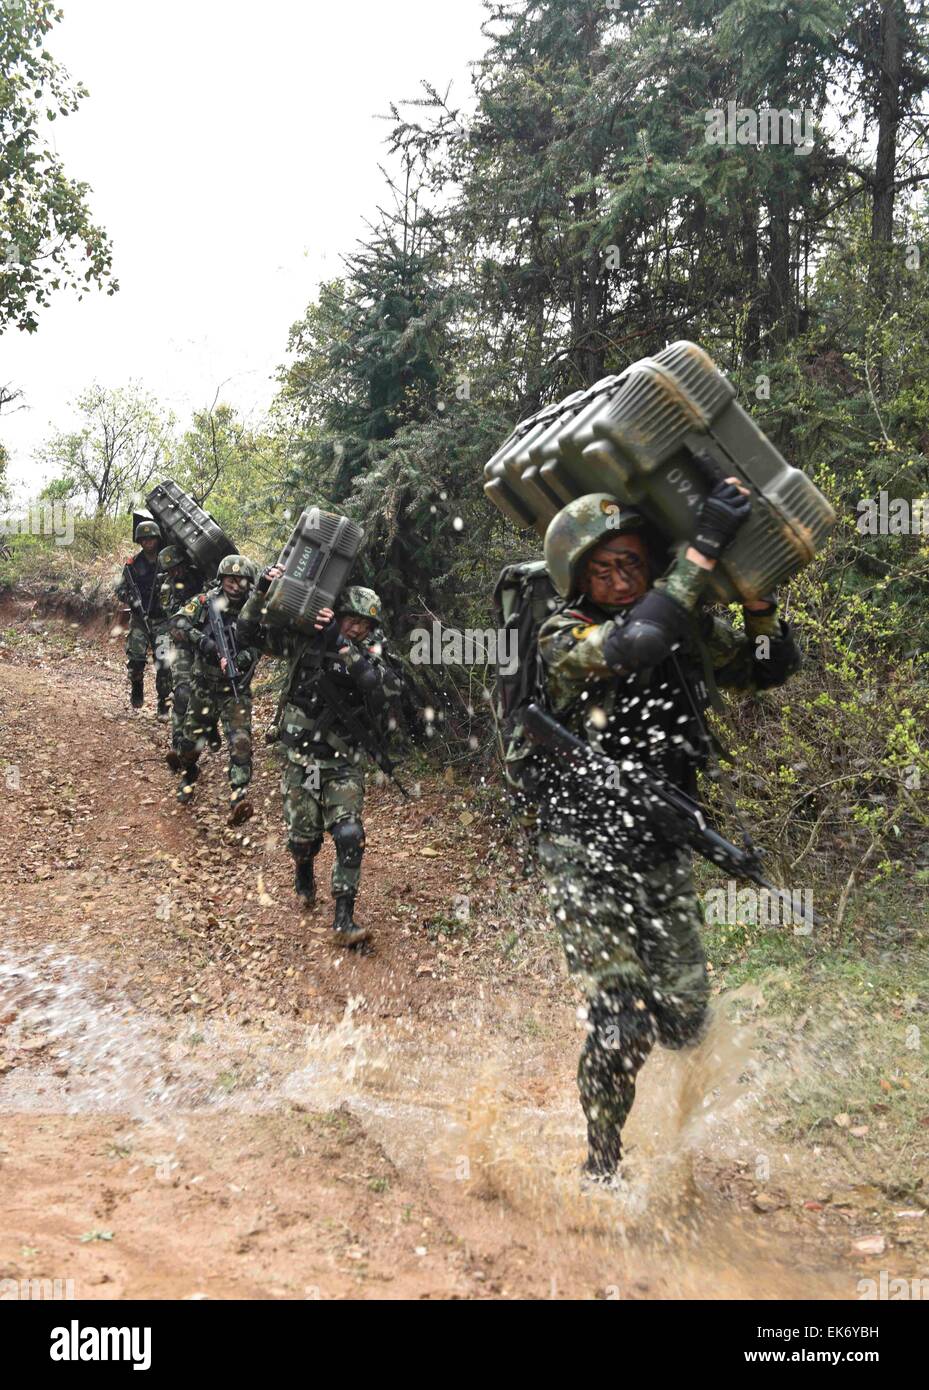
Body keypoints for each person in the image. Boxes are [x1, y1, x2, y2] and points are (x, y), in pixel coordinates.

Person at [535, 483, 802, 1183]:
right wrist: (705, 546)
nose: (622, 581)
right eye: (604, 569)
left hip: (658, 844)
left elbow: (769, 667)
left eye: (632, 565)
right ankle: (600, 1164)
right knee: (620, 1021)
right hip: (583, 848)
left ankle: (647, 1092)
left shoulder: (681, 623)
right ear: (577, 576)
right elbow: (636, 644)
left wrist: (758, 604)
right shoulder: (563, 634)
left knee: (684, 1021)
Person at [238, 573, 400, 945]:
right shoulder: (306, 641)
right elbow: (248, 633)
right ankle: (304, 868)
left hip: (343, 763)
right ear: (336, 614)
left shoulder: (373, 652)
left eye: (364, 624)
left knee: (349, 834)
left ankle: (344, 919)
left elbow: (379, 685)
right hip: (304, 763)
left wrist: (341, 643)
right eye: (351, 620)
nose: (357, 628)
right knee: (304, 836)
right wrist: (261, 591)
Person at [170, 554, 260, 824]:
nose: (234, 585)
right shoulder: (204, 602)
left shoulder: (253, 610)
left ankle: (238, 796)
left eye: (240, 580)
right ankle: (188, 773)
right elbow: (177, 624)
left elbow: (267, 640)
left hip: (236, 688)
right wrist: (204, 643)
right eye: (230, 580)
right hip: (204, 686)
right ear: (221, 580)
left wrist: (245, 657)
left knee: (241, 742)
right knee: (189, 742)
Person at [156, 545, 207, 768]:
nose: (175, 572)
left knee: (203, 697)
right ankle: (177, 746)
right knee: (183, 692)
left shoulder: (203, 575)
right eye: (171, 569)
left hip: (209, 644)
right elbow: (175, 620)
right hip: (184, 644)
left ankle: (192, 748)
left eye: (177, 567)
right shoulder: (167, 587)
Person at [116, 521, 171, 715]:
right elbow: (120, 589)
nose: (148, 541)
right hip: (140, 620)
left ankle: (164, 702)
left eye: (151, 538)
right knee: (136, 659)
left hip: (162, 620)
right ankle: (137, 686)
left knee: (164, 664)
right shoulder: (133, 565)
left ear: (157, 538)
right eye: (144, 538)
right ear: (139, 541)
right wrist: (130, 598)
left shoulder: (167, 560)